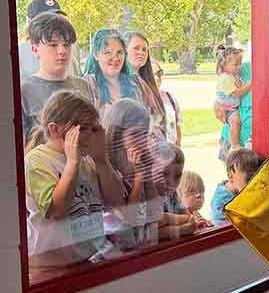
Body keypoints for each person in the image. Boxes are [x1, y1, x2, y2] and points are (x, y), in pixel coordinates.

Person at [24, 90, 125, 267]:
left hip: (86, 259)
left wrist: (101, 159)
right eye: (82, 128)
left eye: (94, 128)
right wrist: (72, 163)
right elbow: (56, 211)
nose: (90, 135)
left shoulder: (87, 158)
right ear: (54, 129)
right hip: (49, 266)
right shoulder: (37, 160)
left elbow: (116, 201)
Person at [20, 13, 95, 143]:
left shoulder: (83, 86)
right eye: (53, 45)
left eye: (66, 45)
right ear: (35, 49)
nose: (62, 51)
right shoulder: (23, 91)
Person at [103, 98, 163, 251]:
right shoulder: (110, 170)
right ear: (117, 135)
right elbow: (129, 219)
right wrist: (139, 176)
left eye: (145, 134)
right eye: (135, 134)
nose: (142, 141)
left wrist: (147, 172)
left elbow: (156, 212)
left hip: (143, 246)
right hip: (120, 253)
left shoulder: (139, 163)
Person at [83, 29, 164, 135]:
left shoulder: (136, 83)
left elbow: (158, 119)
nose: (115, 58)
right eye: (107, 52)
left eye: (119, 52)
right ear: (96, 55)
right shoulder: (87, 85)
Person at [18, 0, 83, 80]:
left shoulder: (72, 46)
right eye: (44, 21)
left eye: (56, 17)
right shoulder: (19, 52)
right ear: (29, 22)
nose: (52, 23)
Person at [151, 142, 197, 240]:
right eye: (164, 174)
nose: (171, 182)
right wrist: (183, 229)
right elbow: (148, 233)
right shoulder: (145, 196)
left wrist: (167, 219)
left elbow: (189, 219)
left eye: (177, 176)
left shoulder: (173, 194)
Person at [124, 32, 167, 137]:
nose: (141, 52)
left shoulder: (147, 84)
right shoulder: (118, 83)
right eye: (136, 48)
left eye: (144, 50)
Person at [210, 147, 264, 223]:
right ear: (230, 176)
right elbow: (221, 225)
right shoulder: (222, 201)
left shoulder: (240, 188)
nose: (254, 184)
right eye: (249, 179)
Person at [214, 46, 251, 151]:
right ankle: (235, 145)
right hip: (229, 108)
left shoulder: (234, 73)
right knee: (235, 121)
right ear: (223, 64)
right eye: (236, 65)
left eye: (240, 63)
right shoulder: (226, 78)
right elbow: (237, 93)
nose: (239, 67)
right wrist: (250, 84)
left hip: (232, 107)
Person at [150, 58, 182, 147]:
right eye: (152, 74)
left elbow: (177, 127)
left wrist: (178, 148)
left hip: (171, 153)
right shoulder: (140, 99)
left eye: (159, 73)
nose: (157, 77)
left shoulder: (170, 98)